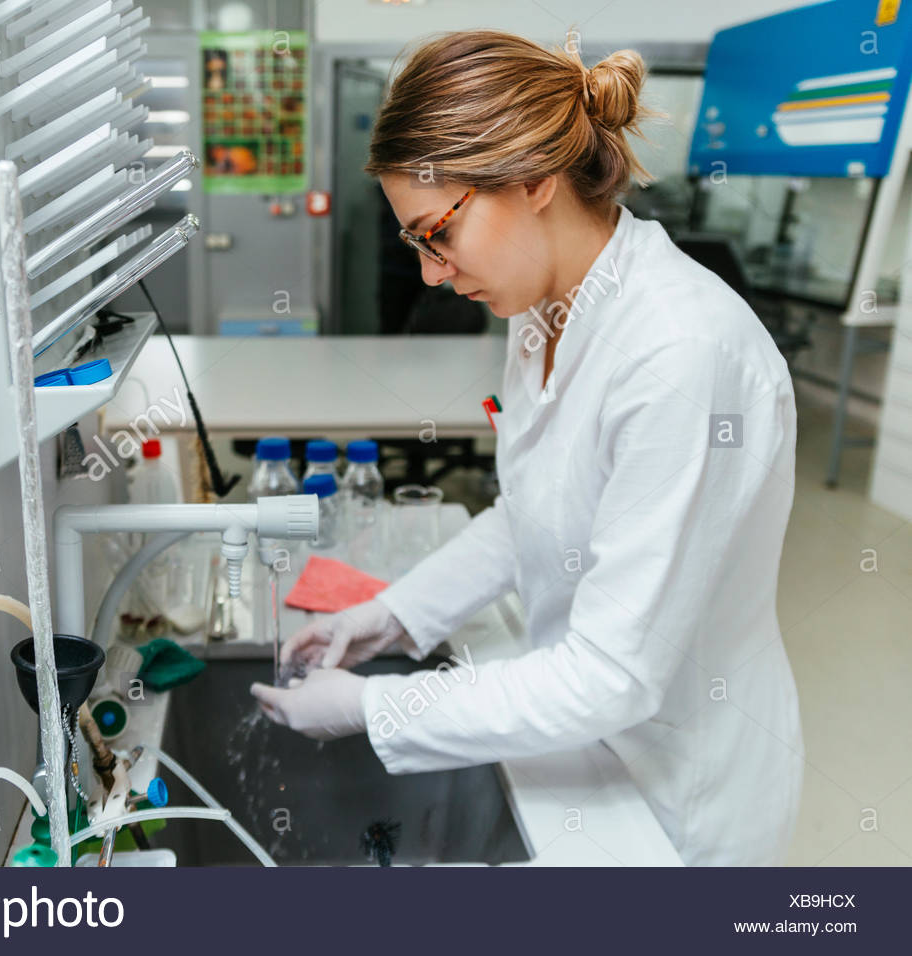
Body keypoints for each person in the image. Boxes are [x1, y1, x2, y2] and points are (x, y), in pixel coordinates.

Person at [250, 30, 804, 866]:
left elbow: (612, 676)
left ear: (535, 180)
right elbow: (532, 511)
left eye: (439, 231)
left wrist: (373, 708)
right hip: (578, 742)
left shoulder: (683, 356)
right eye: (416, 244)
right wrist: (390, 618)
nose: (433, 273)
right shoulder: (542, 309)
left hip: (678, 785)